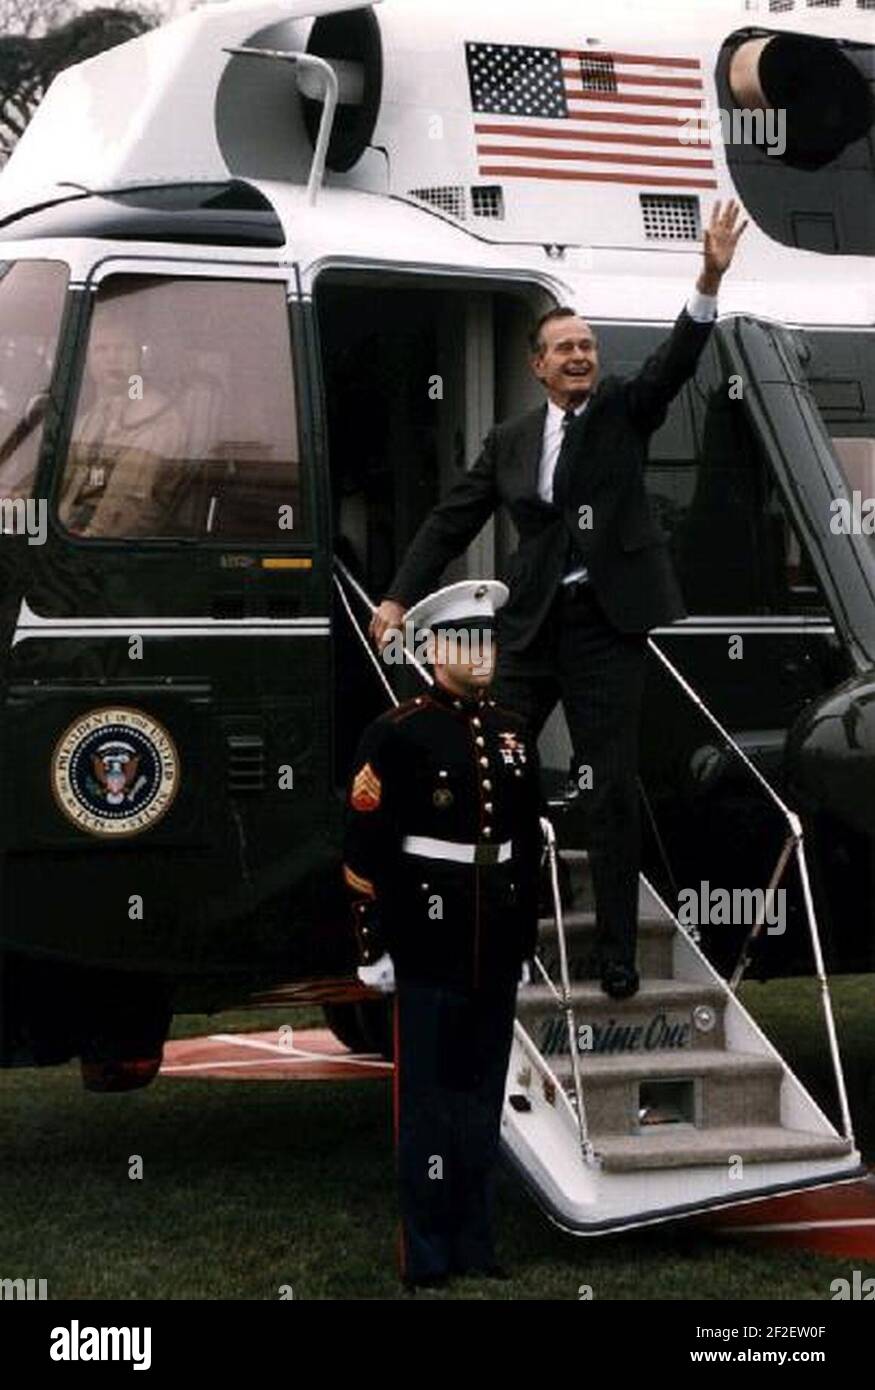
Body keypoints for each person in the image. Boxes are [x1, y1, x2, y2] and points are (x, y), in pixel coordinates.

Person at [370, 200, 749, 1002]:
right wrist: (399, 598)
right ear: (535, 365)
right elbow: (451, 518)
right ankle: (510, 920)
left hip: (607, 624)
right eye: (563, 349)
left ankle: (616, 951)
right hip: (531, 624)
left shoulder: (619, 410)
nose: (579, 357)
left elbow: (673, 362)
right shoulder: (510, 440)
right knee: (499, 769)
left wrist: (707, 276)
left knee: (609, 784)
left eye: (587, 346)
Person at [342, 580, 544, 1292]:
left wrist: (526, 944)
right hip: (427, 942)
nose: (481, 654)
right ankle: (426, 1253)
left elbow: (528, 846)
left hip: (493, 943)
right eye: (465, 640)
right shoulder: (396, 733)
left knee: (479, 1101)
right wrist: (375, 949)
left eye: (487, 639)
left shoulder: (515, 731)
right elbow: (365, 850)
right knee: (426, 1107)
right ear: (431, 650)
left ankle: (475, 1243)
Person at [58, 317, 188, 538]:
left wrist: (85, 540)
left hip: (108, 548)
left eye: (122, 348)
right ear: (88, 360)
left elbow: (125, 505)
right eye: (101, 349)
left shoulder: (154, 417)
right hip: (68, 532)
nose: (112, 358)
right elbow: (62, 480)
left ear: (139, 357)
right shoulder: (90, 418)